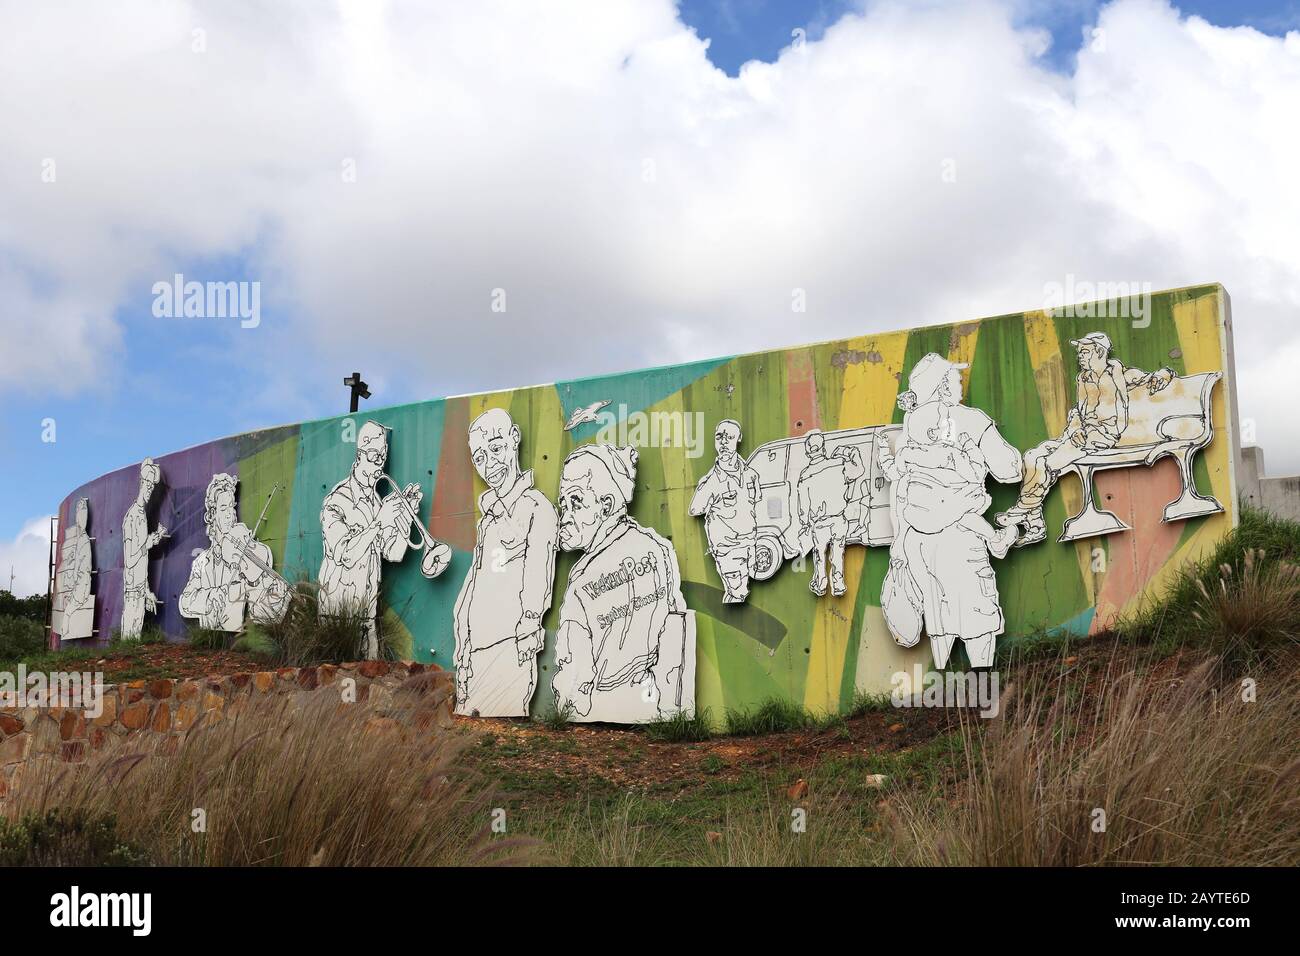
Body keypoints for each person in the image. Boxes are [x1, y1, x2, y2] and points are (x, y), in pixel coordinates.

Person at [879, 354, 1022, 669]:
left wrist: (901, 543)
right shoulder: (970, 420)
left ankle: (944, 688)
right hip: (959, 536)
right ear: (942, 387)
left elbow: (900, 488)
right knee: (975, 615)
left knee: (939, 617)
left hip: (918, 540)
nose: (960, 382)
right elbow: (1011, 469)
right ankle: (982, 689)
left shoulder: (910, 431)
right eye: (954, 378)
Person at [551, 445, 692, 723]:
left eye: (576, 502)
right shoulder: (658, 549)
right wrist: (674, 709)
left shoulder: (582, 579)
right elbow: (676, 628)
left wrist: (569, 713)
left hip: (598, 708)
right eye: (563, 504)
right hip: (654, 703)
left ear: (606, 505)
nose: (565, 515)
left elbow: (573, 669)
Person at [997, 332, 1174, 546]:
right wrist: (1073, 432)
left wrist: (1165, 373)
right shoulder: (1083, 378)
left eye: (1085, 351)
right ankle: (1035, 525)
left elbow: (1146, 377)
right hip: (1079, 436)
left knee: (1049, 464)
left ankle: (1024, 509)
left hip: (1103, 437)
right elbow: (1079, 413)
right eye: (1080, 351)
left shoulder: (1117, 372)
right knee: (1033, 456)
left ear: (1099, 352)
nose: (1080, 355)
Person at [453, 409, 559, 717]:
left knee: (501, 720)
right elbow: (476, 580)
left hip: (508, 647)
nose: (490, 464)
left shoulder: (537, 509)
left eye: (496, 448)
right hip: (475, 649)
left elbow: (539, 572)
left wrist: (529, 622)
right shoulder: (487, 520)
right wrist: (462, 633)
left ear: (514, 439)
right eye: (480, 457)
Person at [318, 421, 422, 660]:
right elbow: (344, 553)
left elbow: (393, 553)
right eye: (374, 455)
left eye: (382, 456)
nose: (379, 462)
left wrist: (406, 516)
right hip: (337, 616)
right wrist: (378, 522)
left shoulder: (377, 502)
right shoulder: (338, 500)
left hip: (367, 619)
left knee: (367, 688)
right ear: (360, 454)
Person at [878, 399, 1016, 558]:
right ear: (932, 434)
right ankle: (994, 539)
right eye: (946, 423)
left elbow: (891, 473)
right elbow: (975, 474)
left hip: (916, 517)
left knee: (949, 505)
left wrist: (883, 450)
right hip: (942, 513)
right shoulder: (949, 454)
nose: (951, 425)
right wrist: (969, 447)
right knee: (964, 500)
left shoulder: (905, 454)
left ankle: (985, 539)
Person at [180, 473, 289, 631]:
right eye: (223, 508)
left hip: (232, 643)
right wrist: (210, 597)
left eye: (232, 507)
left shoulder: (241, 557)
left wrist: (276, 600)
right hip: (210, 645)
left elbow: (259, 613)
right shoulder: (201, 562)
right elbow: (186, 601)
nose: (230, 513)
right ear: (211, 515)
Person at [689, 419, 761, 603]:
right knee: (737, 595)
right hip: (728, 549)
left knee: (741, 593)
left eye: (729, 437)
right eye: (719, 437)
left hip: (750, 544)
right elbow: (696, 508)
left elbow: (757, 504)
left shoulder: (751, 475)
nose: (723, 442)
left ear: (739, 438)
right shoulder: (711, 481)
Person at [796, 430, 865, 597]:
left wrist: (805, 522)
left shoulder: (805, 475)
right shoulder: (839, 464)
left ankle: (820, 585)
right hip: (839, 519)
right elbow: (859, 470)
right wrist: (850, 452)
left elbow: (803, 507)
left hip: (819, 523)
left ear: (808, 452)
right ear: (823, 448)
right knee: (838, 553)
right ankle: (839, 584)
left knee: (819, 555)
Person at [121, 458, 166, 640]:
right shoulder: (132, 516)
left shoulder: (141, 516)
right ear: (140, 482)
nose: (149, 490)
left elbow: (142, 561)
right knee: (128, 637)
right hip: (132, 592)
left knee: (134, 639)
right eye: (147, 484)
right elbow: (130, 559)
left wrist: (147, 591)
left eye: (152, 486)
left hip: (139, 591)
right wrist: (150, 541)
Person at [53, 497, 94, 641]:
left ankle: (66, 628)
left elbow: (83, 568)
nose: (81, 516)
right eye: (79, 512)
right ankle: (65, 629)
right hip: (77, 583)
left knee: (69, 610)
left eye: (83, 511)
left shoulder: (84, 540)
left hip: (82, 583)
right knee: (68, 610)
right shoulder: (76, 540)